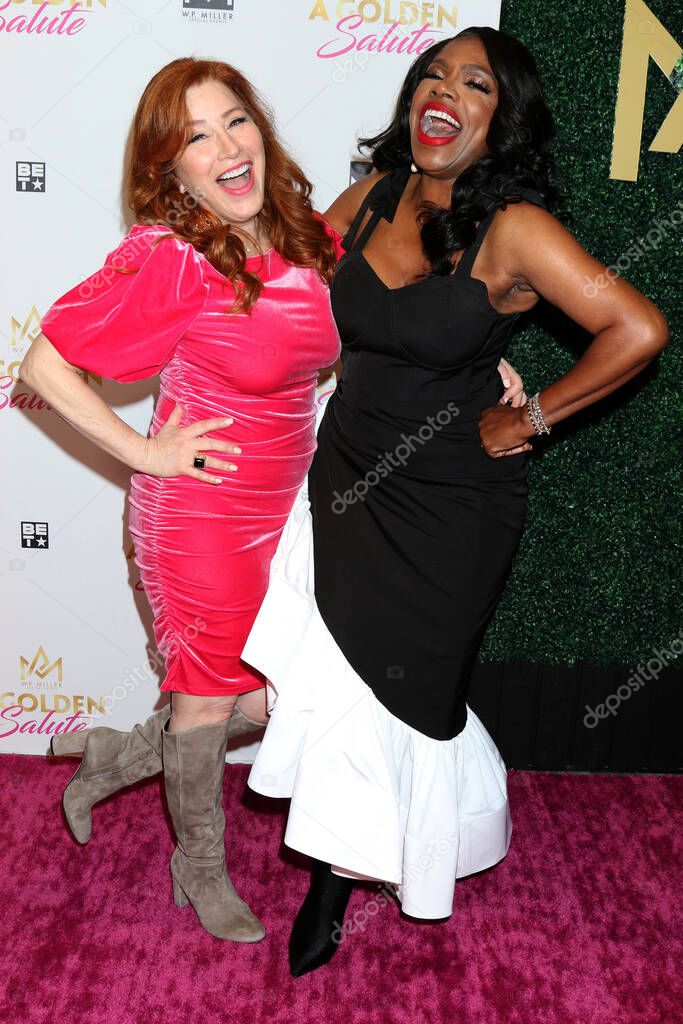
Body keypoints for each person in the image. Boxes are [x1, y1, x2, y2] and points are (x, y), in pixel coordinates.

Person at [243, 26, 670, 975]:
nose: (445, 91)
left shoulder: (514, 227)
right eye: (432, 74)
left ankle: (370, 867)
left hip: (453, 508)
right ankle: (332, 873)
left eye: (473, 83)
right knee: (344, 686)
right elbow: (289, 297)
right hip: (348, 477)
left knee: (410, 692)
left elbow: (635, 326)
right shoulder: (367, 199)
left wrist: (531, 418)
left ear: (499, 120)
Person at [19, 57, 344, 943]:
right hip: (198, 521)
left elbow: (360, 335)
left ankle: (112, 759)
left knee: (276, 697)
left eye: (236, 120)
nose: (227, 147)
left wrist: (478, 368)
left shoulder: (305, 234)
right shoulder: (172, 257)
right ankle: (198, 867)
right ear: (171, 170)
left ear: (262, 130)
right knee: (208, 702)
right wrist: (143, 451)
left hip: (286, 517)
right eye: (197, 137)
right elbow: (43, 363)